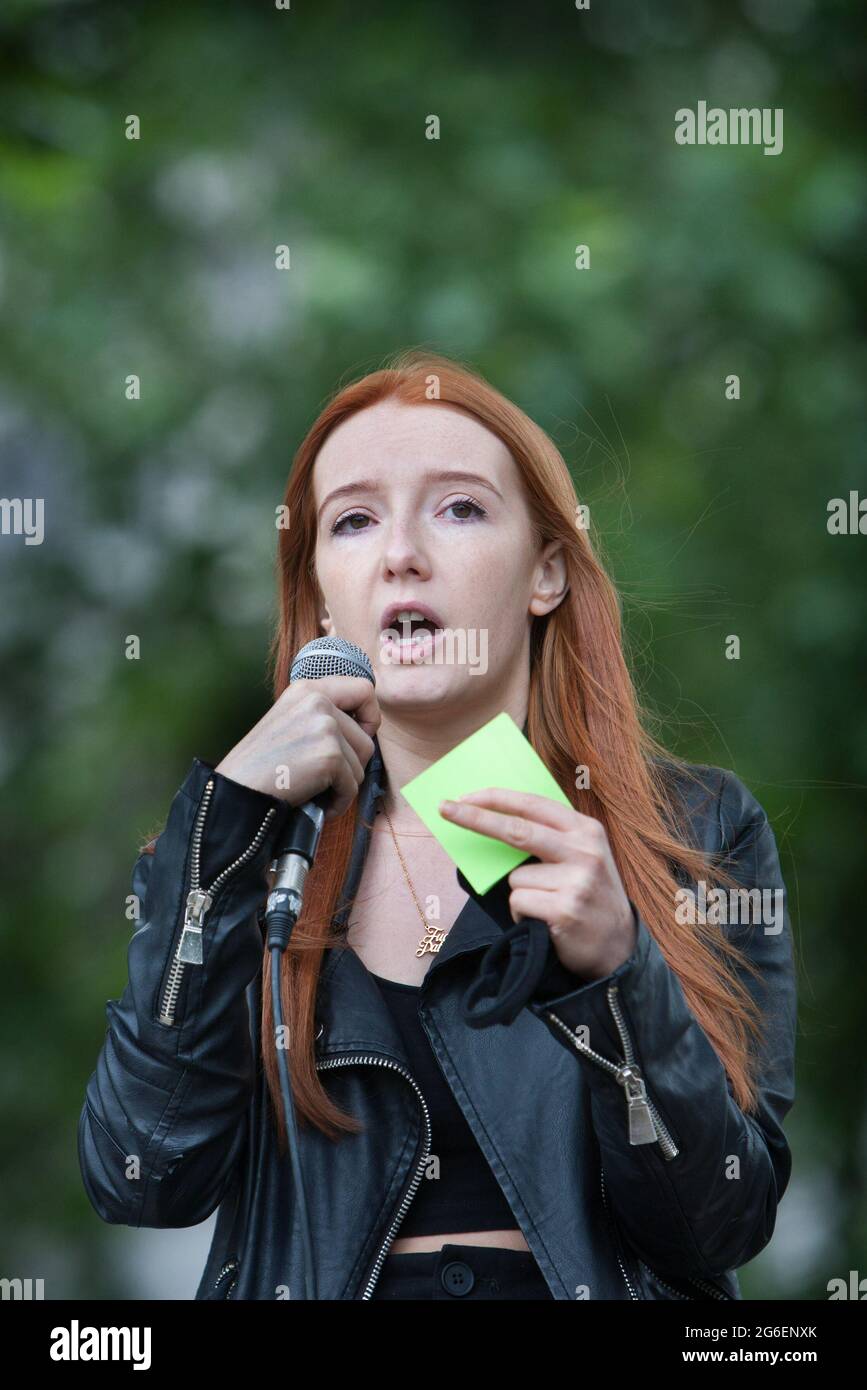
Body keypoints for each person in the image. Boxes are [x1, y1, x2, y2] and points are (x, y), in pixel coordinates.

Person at [78, 349, 797, 1301]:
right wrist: (225, 833)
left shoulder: (694, 832)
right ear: (319, 595)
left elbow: (722, 1220)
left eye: (458, 508)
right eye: (354, 520)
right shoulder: (248, 848)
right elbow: (145, 1177)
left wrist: (620, 972)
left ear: (545, 572)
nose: (400, 553)